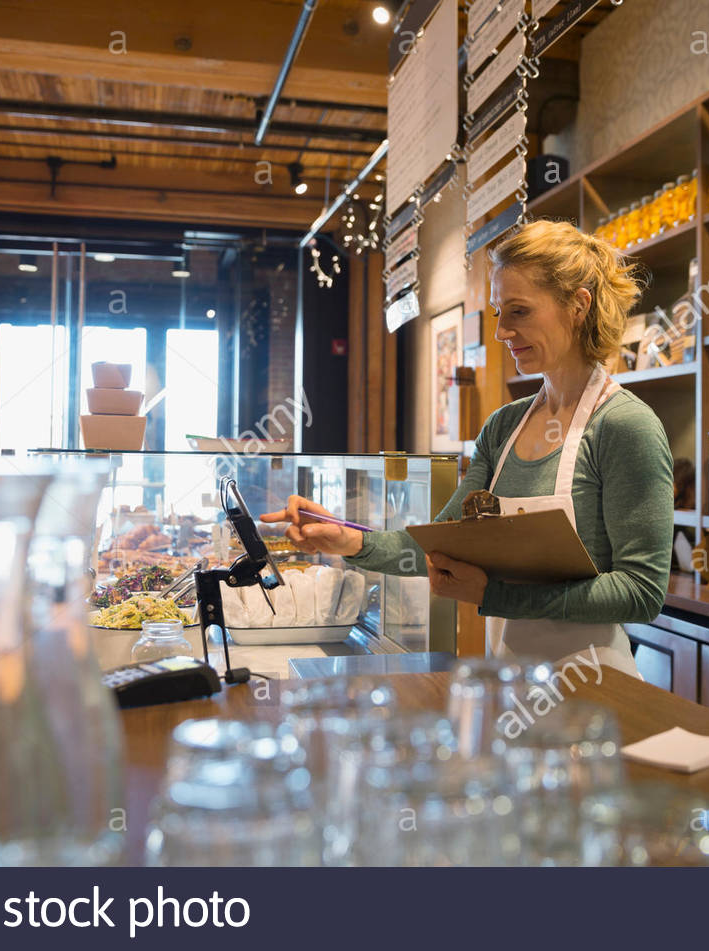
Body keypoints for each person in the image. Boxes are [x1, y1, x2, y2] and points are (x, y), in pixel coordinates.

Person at [260, 219, 673, 677]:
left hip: (594, 683)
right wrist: (348, 539)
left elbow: (642, 591)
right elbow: (436, 545)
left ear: (578, 306)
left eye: (519, 311)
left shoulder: (625, 426)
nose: (502, 332)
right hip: (512, 677)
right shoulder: (504, 427)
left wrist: (495, 596)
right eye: (499, 313)